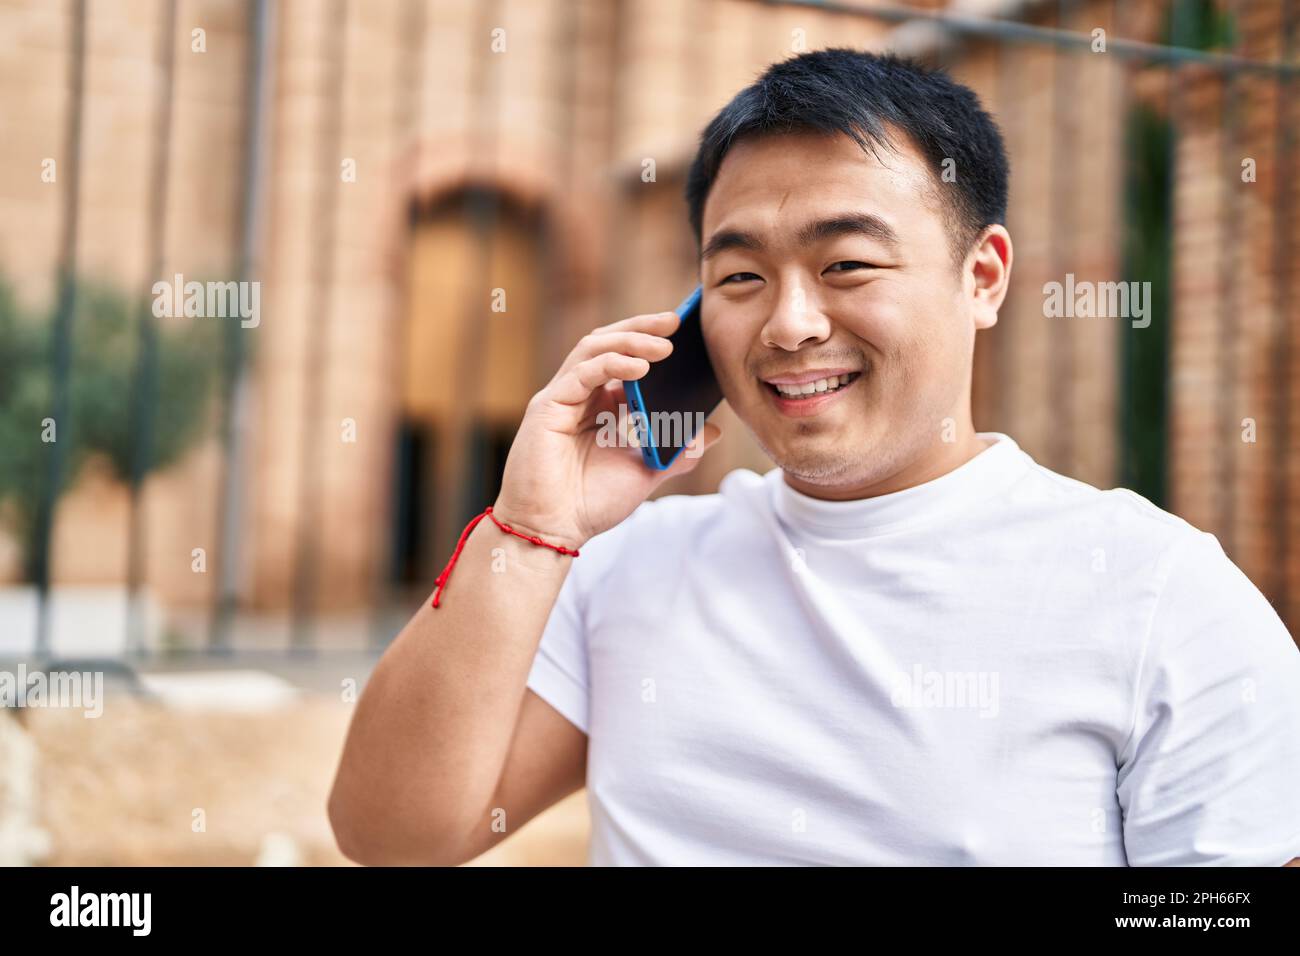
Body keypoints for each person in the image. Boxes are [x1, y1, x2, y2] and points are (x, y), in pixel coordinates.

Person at [328, 48, 1300, 867]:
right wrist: (534, 525)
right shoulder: (630, 565)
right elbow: (392, 833)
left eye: (847, 264)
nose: (789, 323)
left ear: (983, 276)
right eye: (740, 276)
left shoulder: (1161, 594)